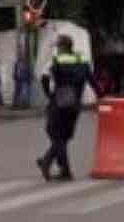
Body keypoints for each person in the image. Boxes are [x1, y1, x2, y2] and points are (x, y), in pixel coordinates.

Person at [37, 35, 96, 181]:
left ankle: (48, 162)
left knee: (54, 133)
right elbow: (92, 80)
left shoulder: (56, 60)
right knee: (63, 137)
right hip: (75, 104)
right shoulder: (82, 60)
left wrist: (50, 95)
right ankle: (62, 169)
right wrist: (102, 95)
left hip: (59, 103)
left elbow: (44, 78)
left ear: (62, 47)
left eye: (58, 46)